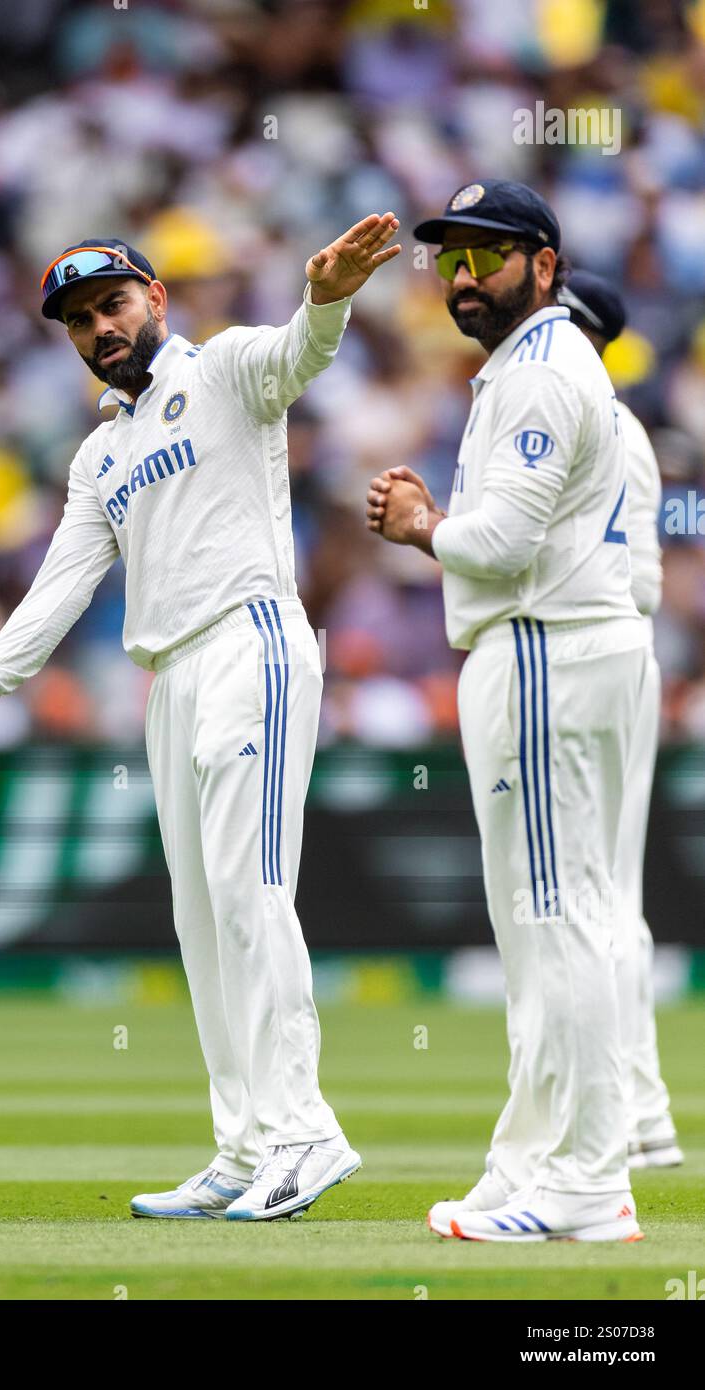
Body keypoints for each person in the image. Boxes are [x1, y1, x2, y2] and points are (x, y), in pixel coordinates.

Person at [0, 216, 402, 1221]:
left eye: (113, 304)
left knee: (248, 889)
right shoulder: (99, 454)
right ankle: (245, 1142)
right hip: (168, 677)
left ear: (155, 300)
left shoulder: (220, 372)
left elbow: (299, 352)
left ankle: (307, 1132)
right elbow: (63, 579)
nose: (100, 328)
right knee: (201, 921)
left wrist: (329, 295)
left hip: (250, 642)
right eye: (81, 320)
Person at [366, 180, 648, 1242]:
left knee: (554, 920)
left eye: (488, 256)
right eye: (449, 259)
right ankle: (531, 1157)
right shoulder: (533, 366)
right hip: (562, 646)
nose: (462, 277)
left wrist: (416, 523)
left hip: (542, 648)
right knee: (542, 926)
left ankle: (584, 1180)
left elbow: (498, 546)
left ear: (543, 262)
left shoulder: (538, 371)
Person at [558, 270, 682, 1169]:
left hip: (606, 653)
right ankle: (640, 1108)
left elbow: (639, 582)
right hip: (613, 654)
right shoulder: (606, 420)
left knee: (602, 893)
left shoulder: (604, 423)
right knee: (604, 890)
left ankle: (636, 1108)